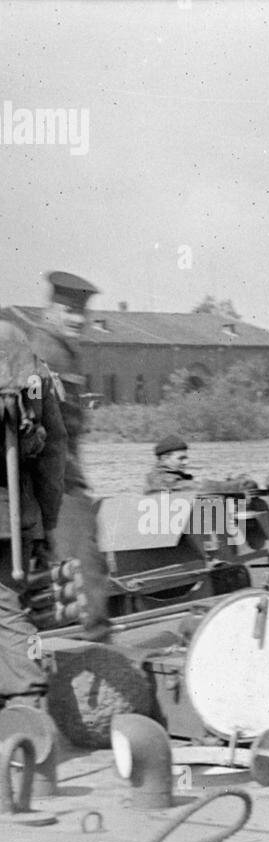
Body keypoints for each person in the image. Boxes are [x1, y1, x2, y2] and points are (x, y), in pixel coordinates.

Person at [3, 271, 111, 643]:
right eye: (68, 311)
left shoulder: (63, 352)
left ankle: (65, 636)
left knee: (66, 566)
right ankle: (94, 646)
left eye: (82, 312)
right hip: (53, 480)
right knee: (83, 560)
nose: (78, 319)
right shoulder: (44, 350)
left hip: (61, 476)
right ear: (50, 309)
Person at [0, 320, 68, 709]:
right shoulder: (27, 356)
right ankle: (30, 697)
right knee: (11, 611)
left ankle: (27, 702)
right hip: (13, 515)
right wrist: (45, 522)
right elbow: (54, 452)